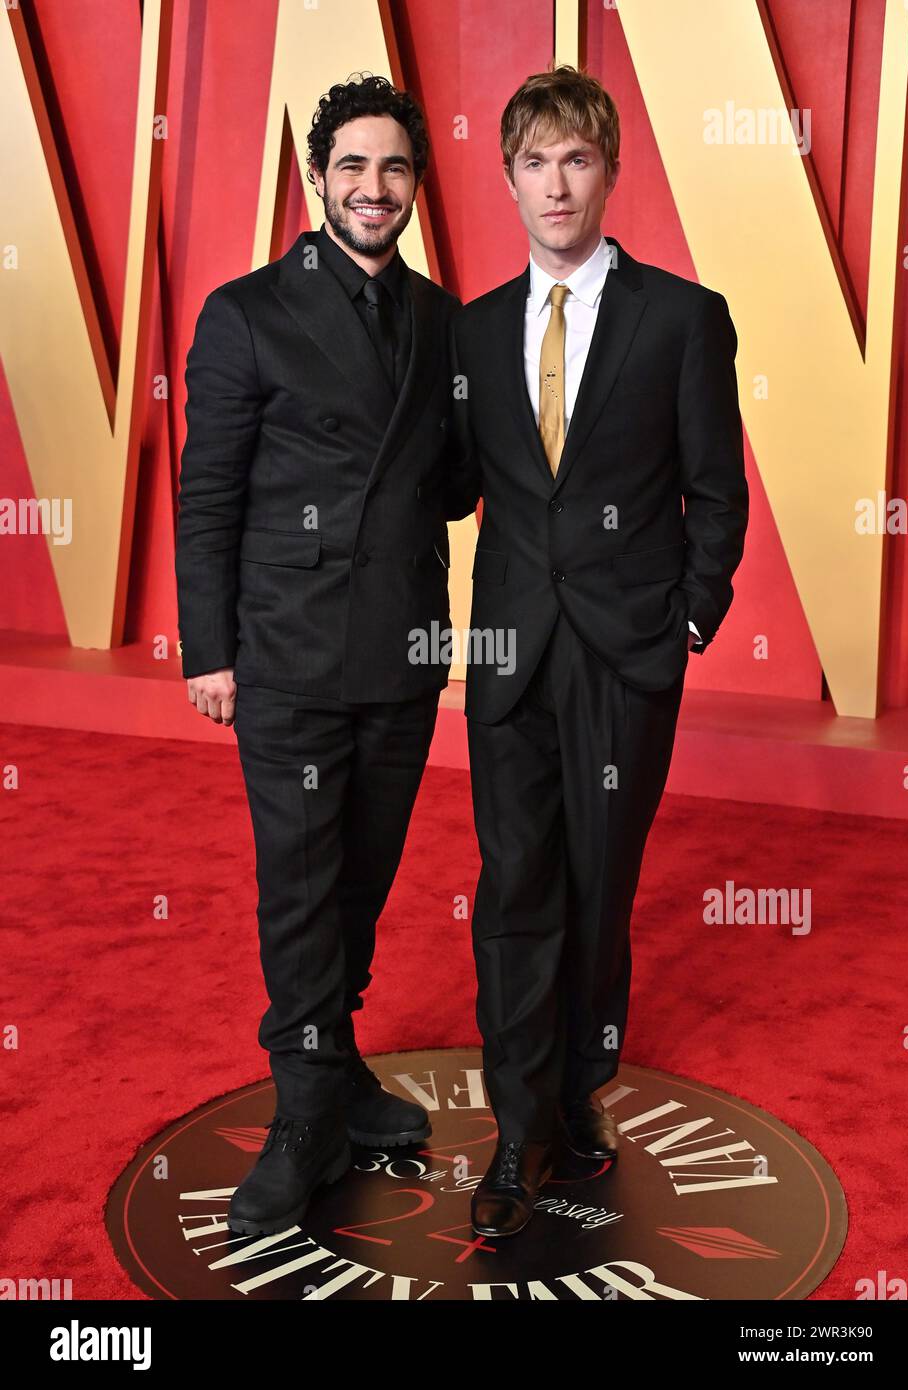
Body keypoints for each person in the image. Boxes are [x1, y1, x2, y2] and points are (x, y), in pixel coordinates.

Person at [451, 65, 749, 1237]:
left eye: (576, 158)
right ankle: (516, 1129)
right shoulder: (471, 329)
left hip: (628, 654)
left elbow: (714, 491)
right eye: (533, 161)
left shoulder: (680, 315)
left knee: (598, 887)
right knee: (513, 887)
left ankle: (576, 1092)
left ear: (608, 170)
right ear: (510, 177)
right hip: (510, 653)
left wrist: (688, 615)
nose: (555, 182)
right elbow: (461, 482)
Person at [175, 73, 468, 1237]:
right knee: (300, 889)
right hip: (286, 652)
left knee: (361, 877)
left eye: (394, 168)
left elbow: (451, 482)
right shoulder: (244, 311)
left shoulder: (443, 317)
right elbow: (208, 497)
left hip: (400, 651)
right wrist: (209, 648)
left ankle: (333, 1058)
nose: (373, 186)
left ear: (414, 186)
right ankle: (303, 1114)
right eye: (352, 165)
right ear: (316, 178)